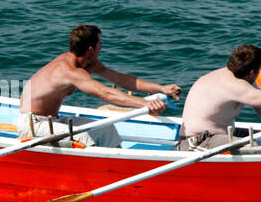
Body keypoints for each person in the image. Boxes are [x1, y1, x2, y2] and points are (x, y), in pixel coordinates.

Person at [19, 25, 181, 147]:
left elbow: (120, 79)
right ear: (90, 49)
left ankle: (118, 169)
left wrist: (161, 88)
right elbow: (106, 93)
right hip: (34, 125)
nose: (101, 48)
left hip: (53, 120)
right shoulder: (71, 71)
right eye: (99, 44)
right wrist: (145, 103)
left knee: (106, 130)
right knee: (84, 139)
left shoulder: (86, 63)